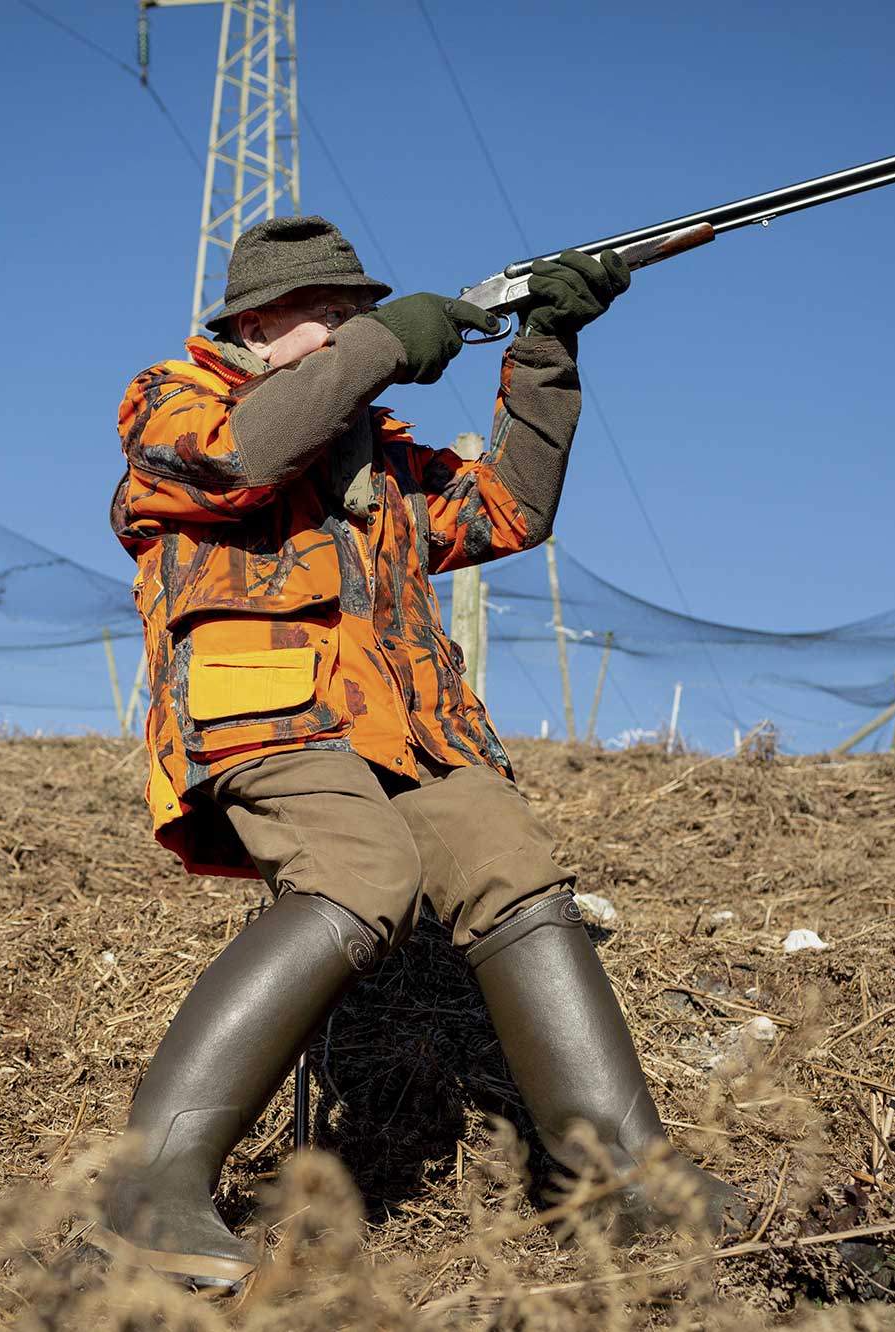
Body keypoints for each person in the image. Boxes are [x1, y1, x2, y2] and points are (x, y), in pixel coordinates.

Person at [101, 215, 743, 1290]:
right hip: (266, 716)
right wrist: (387, 343)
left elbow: (508, 510)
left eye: (363, 311)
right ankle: (144, 1193)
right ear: (257, 322)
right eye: (331, 314)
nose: (355, 328)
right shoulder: (176, 397)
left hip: (407, 724)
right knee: (361, 875)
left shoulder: (383, 455)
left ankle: (625, 1183)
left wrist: (543, 346)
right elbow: (243, 459)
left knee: (507, 858)